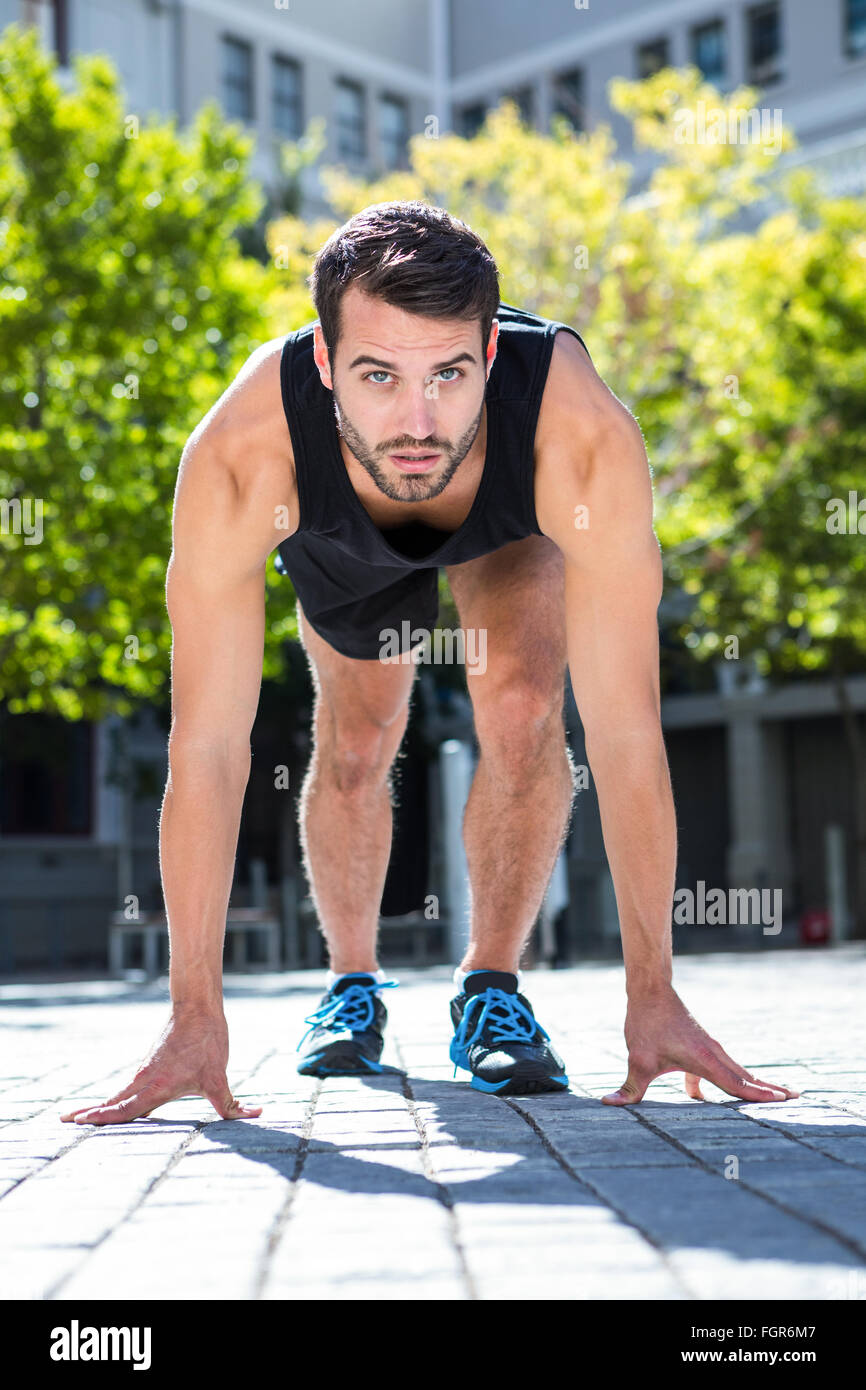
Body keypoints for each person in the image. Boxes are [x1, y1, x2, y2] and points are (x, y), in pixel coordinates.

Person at [61, 201, 799, 1124]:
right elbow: (207, 748)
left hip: (508, 518)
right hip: (339, 537)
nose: (418, 419)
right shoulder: (248, 452)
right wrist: (192, 1015)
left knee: (530, 706)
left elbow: (625, 731)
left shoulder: (577, 433)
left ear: (491, 354)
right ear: (324, 363)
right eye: (377, 375)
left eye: (449, 372)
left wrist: (653, 990)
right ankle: (352, 984)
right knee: (361, 740)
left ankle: (491, 985)